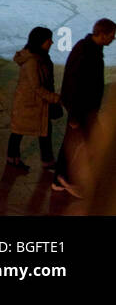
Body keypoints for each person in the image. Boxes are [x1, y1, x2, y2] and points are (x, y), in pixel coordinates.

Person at [52, 18, 115, 198]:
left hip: (86, 110)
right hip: (82, 110)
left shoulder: (90, 48)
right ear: (102, 35)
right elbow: (75, 85)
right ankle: (63, 179)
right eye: (111, 36)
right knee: (86, 142)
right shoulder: (86, 52)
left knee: (85, 142)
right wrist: (74, 116)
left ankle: (64, 178)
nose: (113, 39)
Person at [6, 27, 59, 172]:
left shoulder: (41, 57)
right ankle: (13, 158)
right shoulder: (32, 61)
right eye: (49, 40)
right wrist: (55, 98)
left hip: (36, 103)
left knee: (43, 130)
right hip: (29, 104)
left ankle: (47, 160)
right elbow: (36, 87)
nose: (51, 42)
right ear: (41, 41)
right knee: (19, 130)